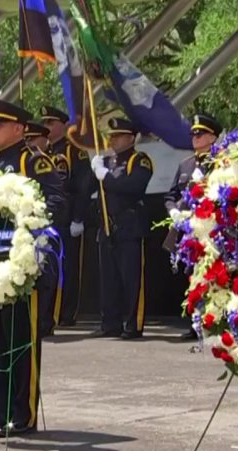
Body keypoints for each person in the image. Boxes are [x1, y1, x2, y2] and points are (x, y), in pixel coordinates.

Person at [0, 100, 65, 438]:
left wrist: (26, 227)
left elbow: (55, 202)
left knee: (21, 340)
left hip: (22, 266)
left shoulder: (33, 161)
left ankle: (23, 413)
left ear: (19, 129)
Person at [89, 118, 153, 340]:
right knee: (108, 280)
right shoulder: (105, 161)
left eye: (118, 136)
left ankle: (133, 324)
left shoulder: (139, 160)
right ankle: (110, 323)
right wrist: (95, 170)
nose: (113, 140)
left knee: (131, 280)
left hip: (129, 226)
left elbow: (131, 186)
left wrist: (104, 175)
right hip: (106, 226)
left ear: (131, 138)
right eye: (111, 136)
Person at [165, 113, 222, 341]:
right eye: (194, 134)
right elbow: (171, 195)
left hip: (212, 229)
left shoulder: (221, 162)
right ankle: (195, 323)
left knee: (213, 275)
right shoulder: (185, 164)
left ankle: (214, 322)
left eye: (201, 134)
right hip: (188, 230)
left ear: (213, 137)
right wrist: (173, 211)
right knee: (191, 276)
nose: (195, 138)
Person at [41, 106, 92, 328]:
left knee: (68, 268)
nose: (47, 127)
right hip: (51, 219)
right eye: (45, 123)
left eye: (51, 123)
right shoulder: (46, 152)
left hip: (69, 217)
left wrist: (78, 217)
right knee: (52, 267)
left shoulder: (74, 150)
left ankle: (67, 312)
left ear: (64, 125)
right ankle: (51, 311)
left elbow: (83, 185)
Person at [25, 120, 61, 338]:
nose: (29, 142)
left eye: (33, 138)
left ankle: (45, 322)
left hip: (43, 228)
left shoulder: (41, 161)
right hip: (22, 231)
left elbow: (55, 194)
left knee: (46, 277)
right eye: (26, 139)